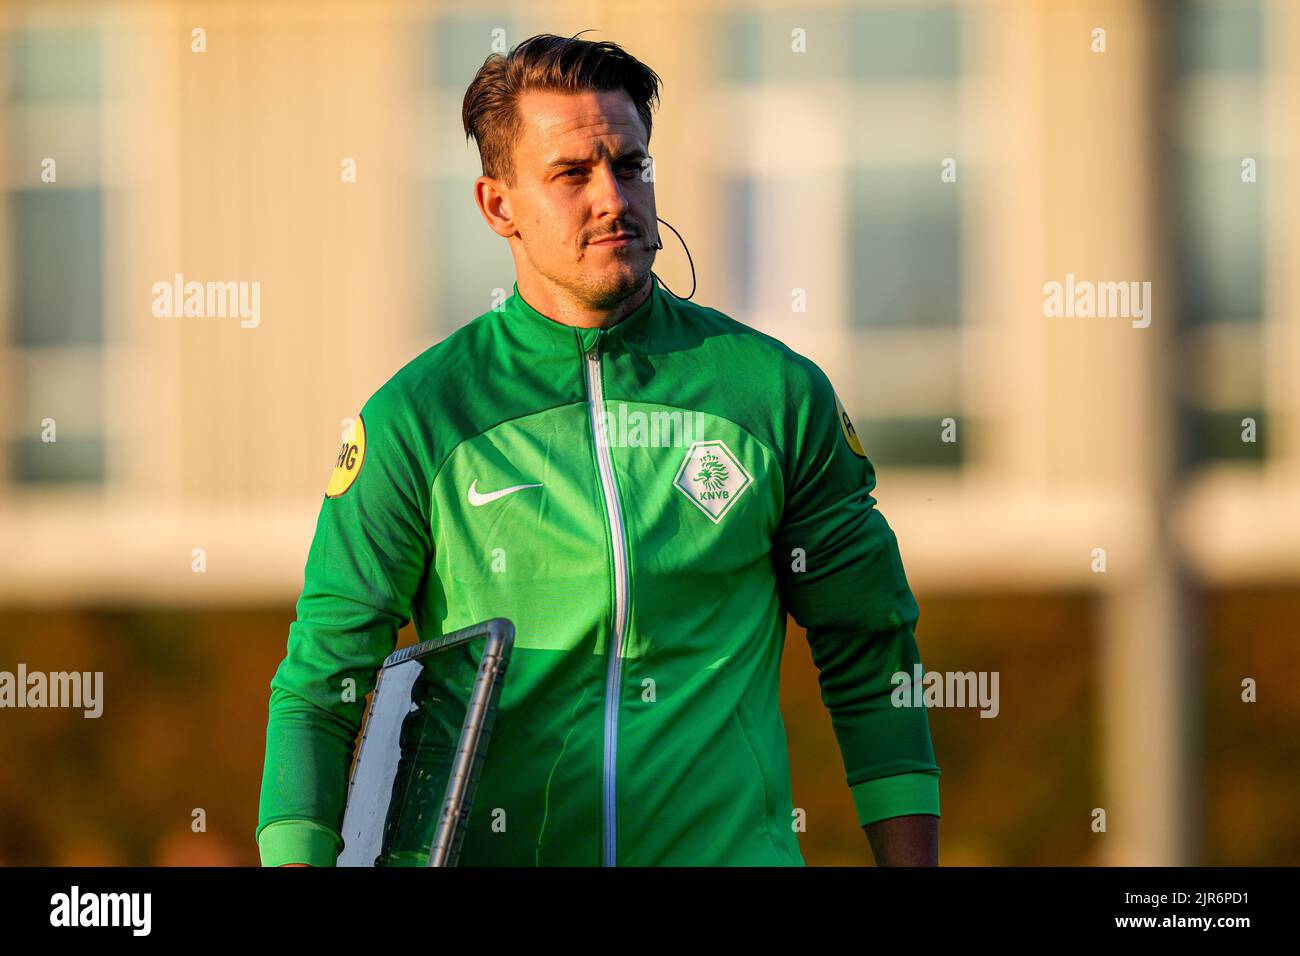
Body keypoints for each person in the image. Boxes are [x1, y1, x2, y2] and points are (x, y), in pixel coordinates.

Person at [256, 31, 940, 867]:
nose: (614, 198)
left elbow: (871, 653)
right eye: (572, 175)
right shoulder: (418, 418)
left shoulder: (775, 392)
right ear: (498, 205)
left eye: (631, 165)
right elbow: (321, 689)